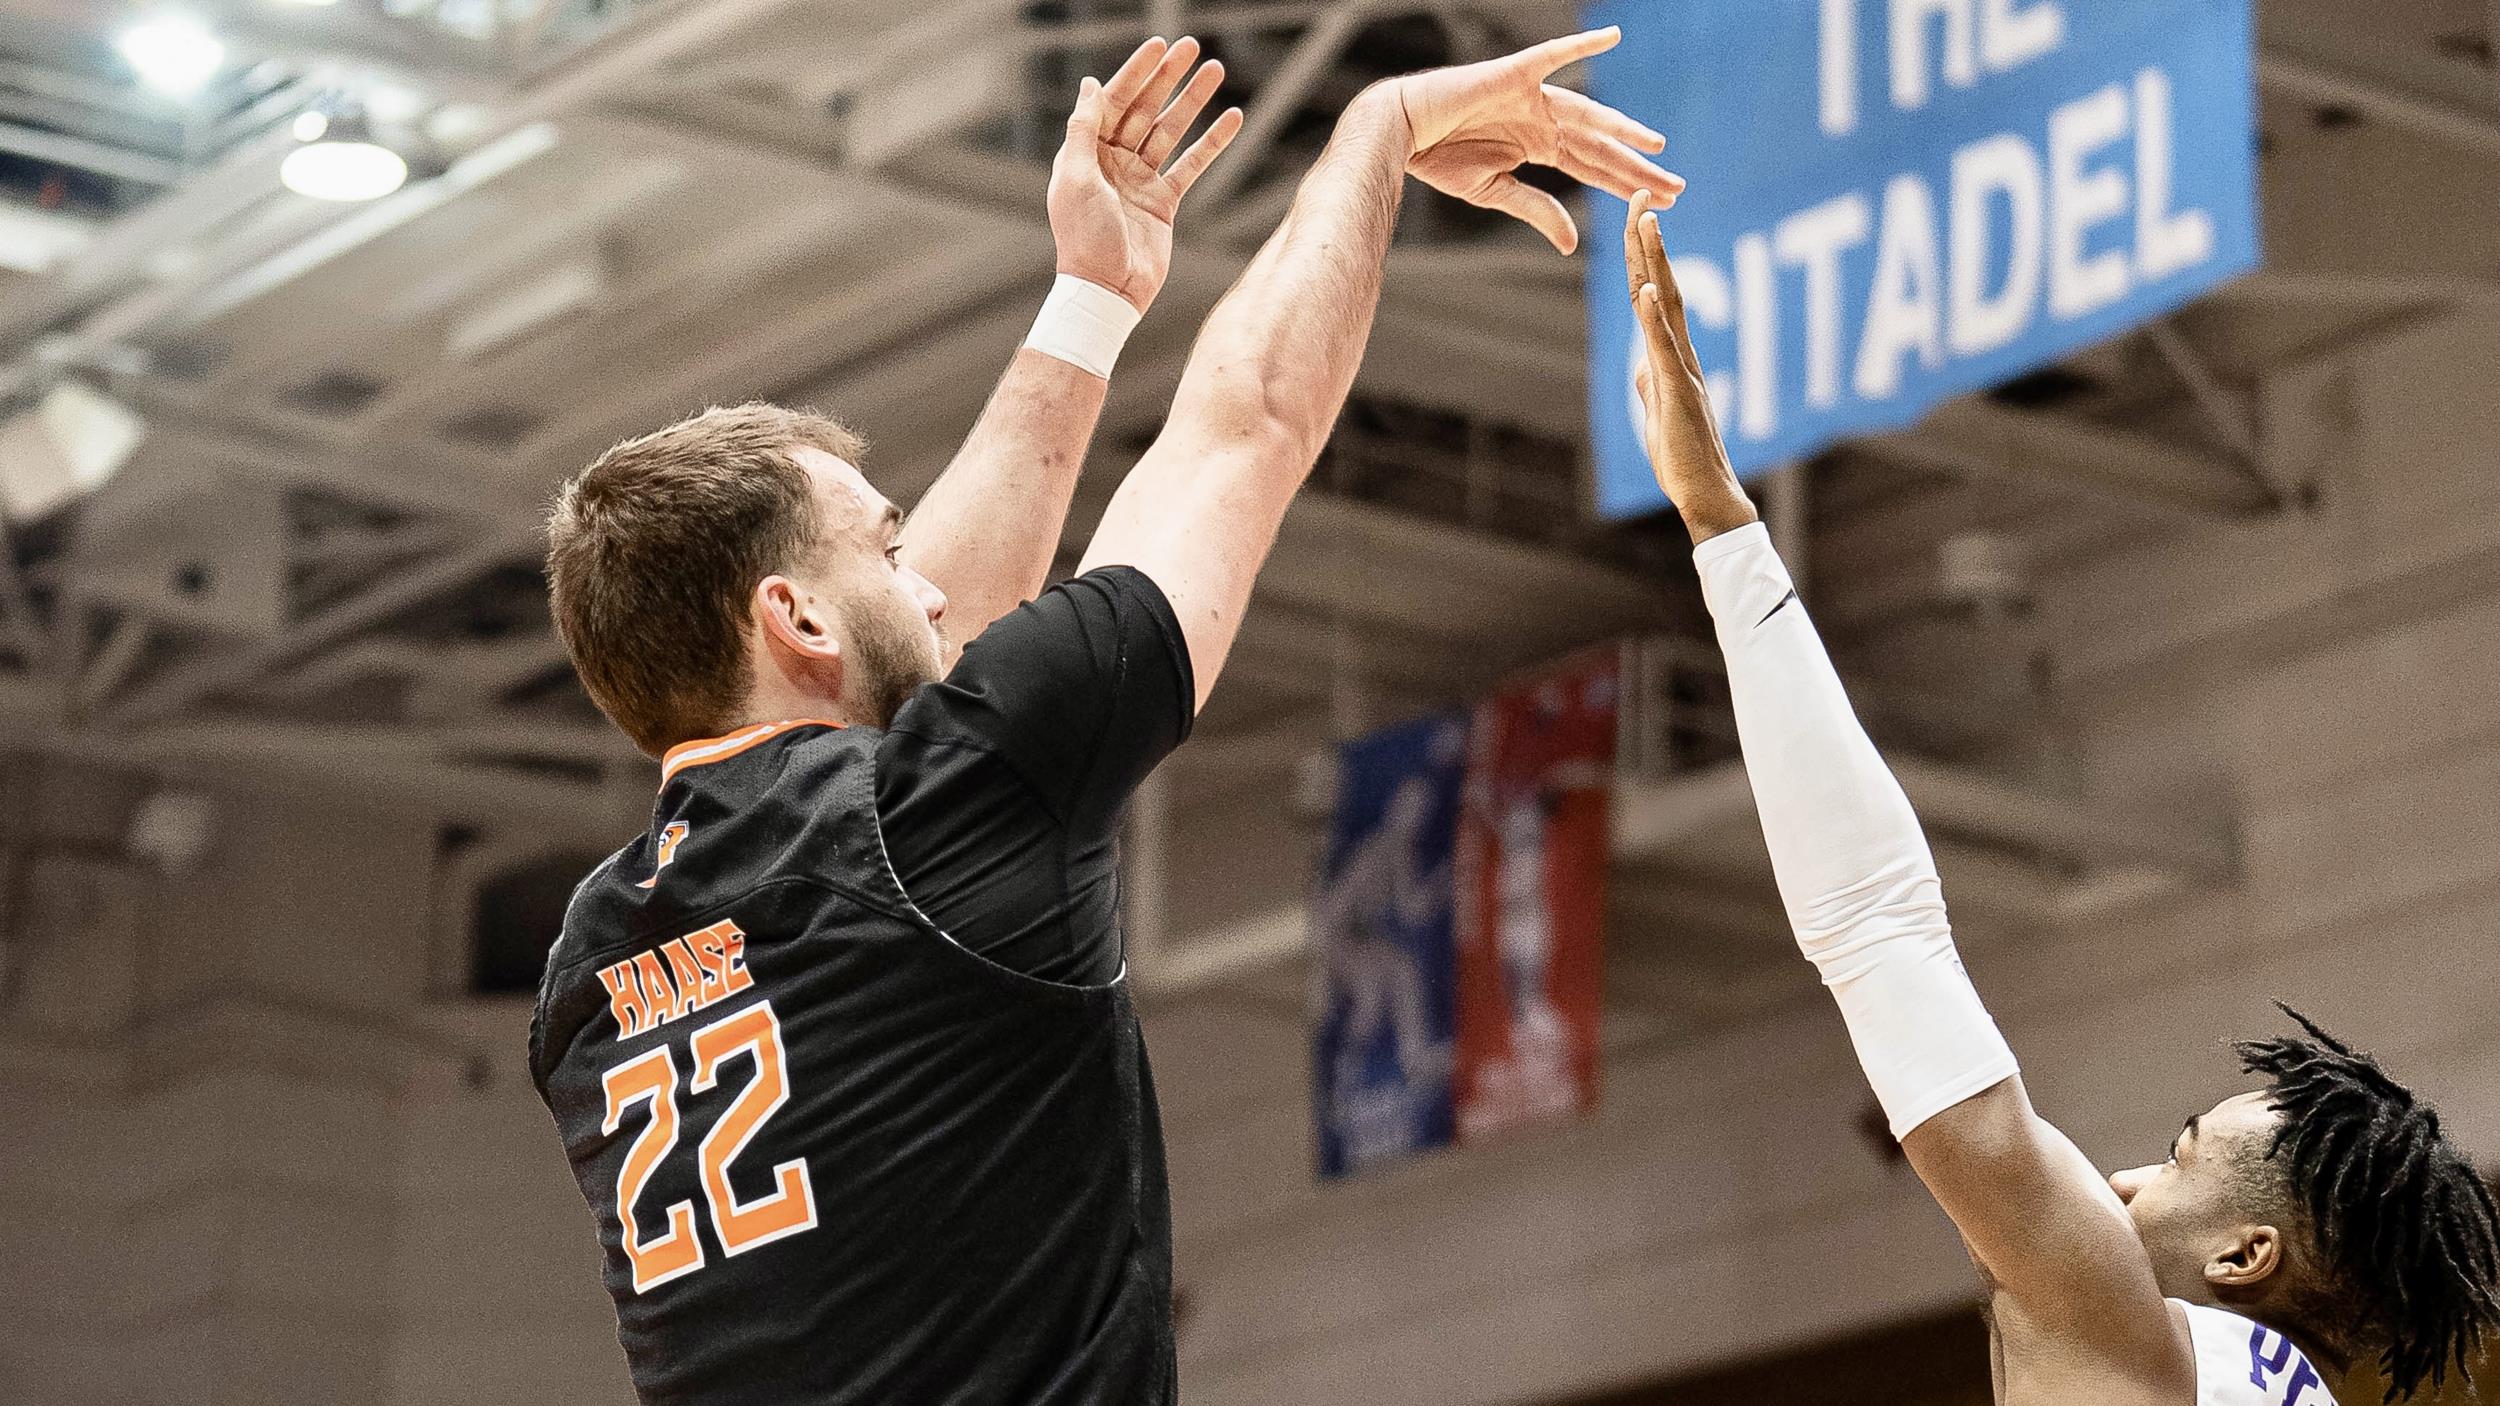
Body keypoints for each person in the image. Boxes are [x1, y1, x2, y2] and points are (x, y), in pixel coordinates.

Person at [529, 24, 1680, 1405]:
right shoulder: (941, 810)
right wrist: (1377, 135)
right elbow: (1245, 426)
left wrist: (1095, 296)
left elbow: (912, 653)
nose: (933, 585)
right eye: (883, 549)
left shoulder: (590, 963)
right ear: (795, 621)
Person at [1617, 192, 2500, 1406]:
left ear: (2242, 1255)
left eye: (2180, 1157)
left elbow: (1879, 924)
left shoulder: (2149, 1341)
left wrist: (1721, 526)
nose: (2122, 1177)